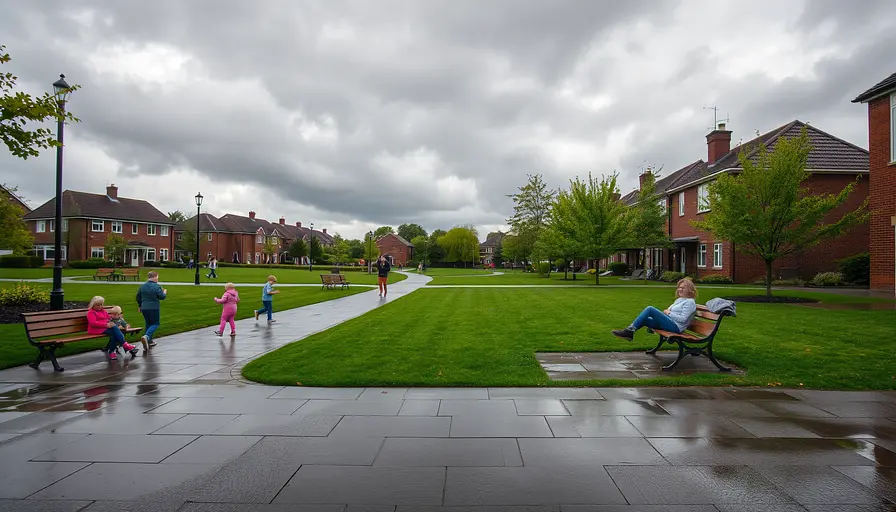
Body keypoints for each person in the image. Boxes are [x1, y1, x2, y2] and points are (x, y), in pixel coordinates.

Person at [612, 278, 697, 340]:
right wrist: (664, 315)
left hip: (676, 327)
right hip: (670, 323)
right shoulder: (680, 300)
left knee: (650, 309)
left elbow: (683, 319)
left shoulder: (690, 302)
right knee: (645, 319)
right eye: (679, 287)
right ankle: (629, 333)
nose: (680, 289)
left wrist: (668, 313)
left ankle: (629, 330)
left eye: (683, 288)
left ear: (689, 290)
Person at [137, 271, 167, 351]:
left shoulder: (142, 286)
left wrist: (140, 305)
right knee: (155, 323)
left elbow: (138, 297)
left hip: (144, 307)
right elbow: (161, 297)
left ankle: (149, 341)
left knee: (148, 323)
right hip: (153, 307)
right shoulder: (157, 287)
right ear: (155, 277)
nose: (158, 279)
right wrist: (164, 292)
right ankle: (146, 336)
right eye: (157, 277)